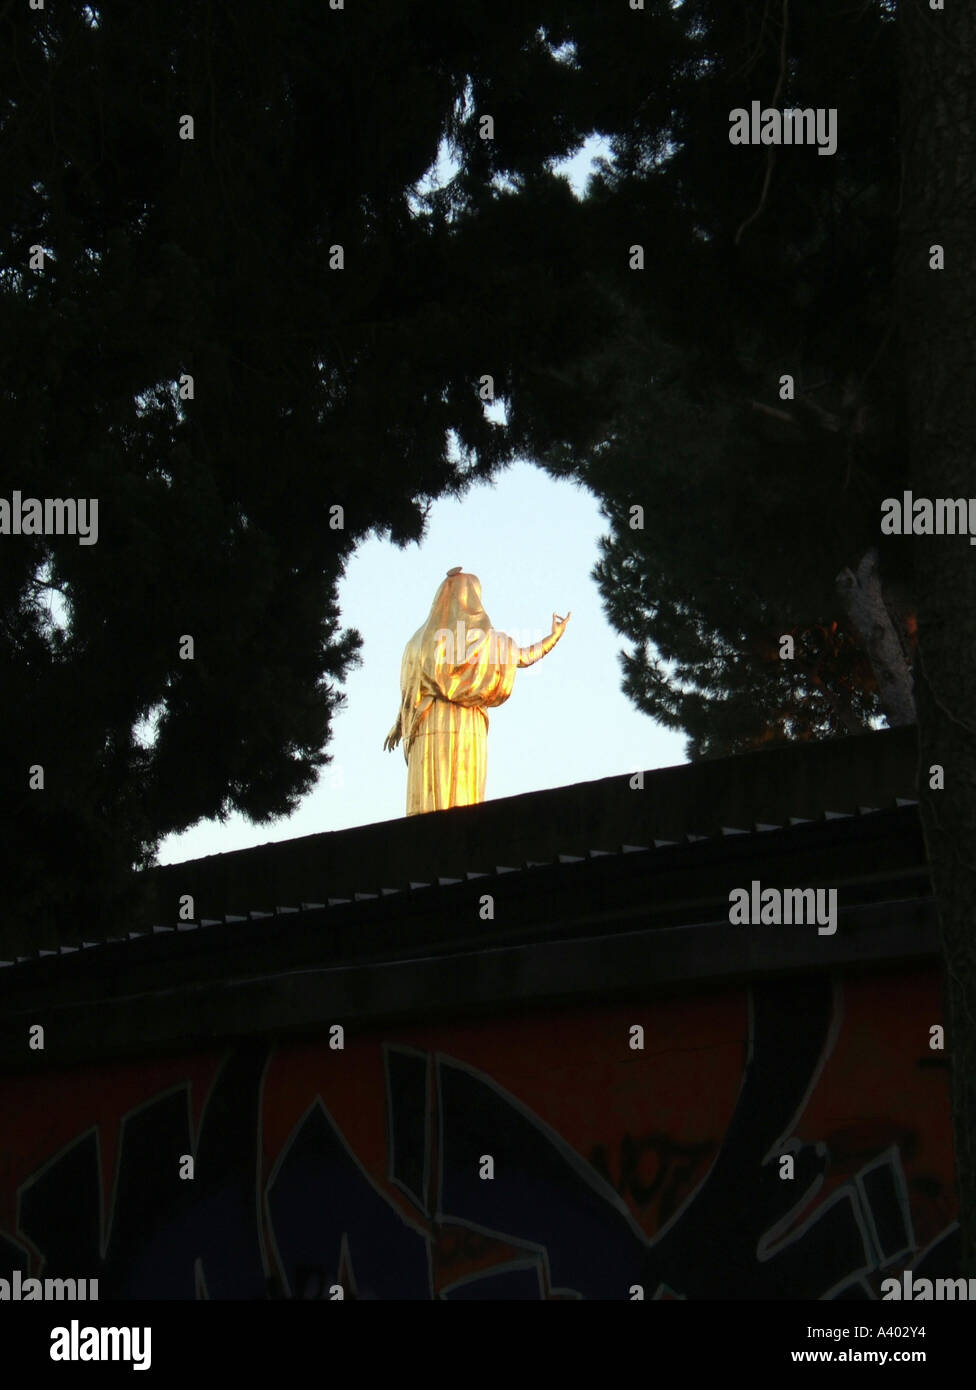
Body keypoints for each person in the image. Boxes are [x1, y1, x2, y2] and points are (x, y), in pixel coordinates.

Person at [383, 567, 570, 816]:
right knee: (463, 799)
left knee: (429, 803)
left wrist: (399, 724)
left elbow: (409, 692)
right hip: (465, 726)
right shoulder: (485, 641)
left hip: (428, 723)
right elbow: (524, 657)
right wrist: (553, 637)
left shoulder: (418, 642)